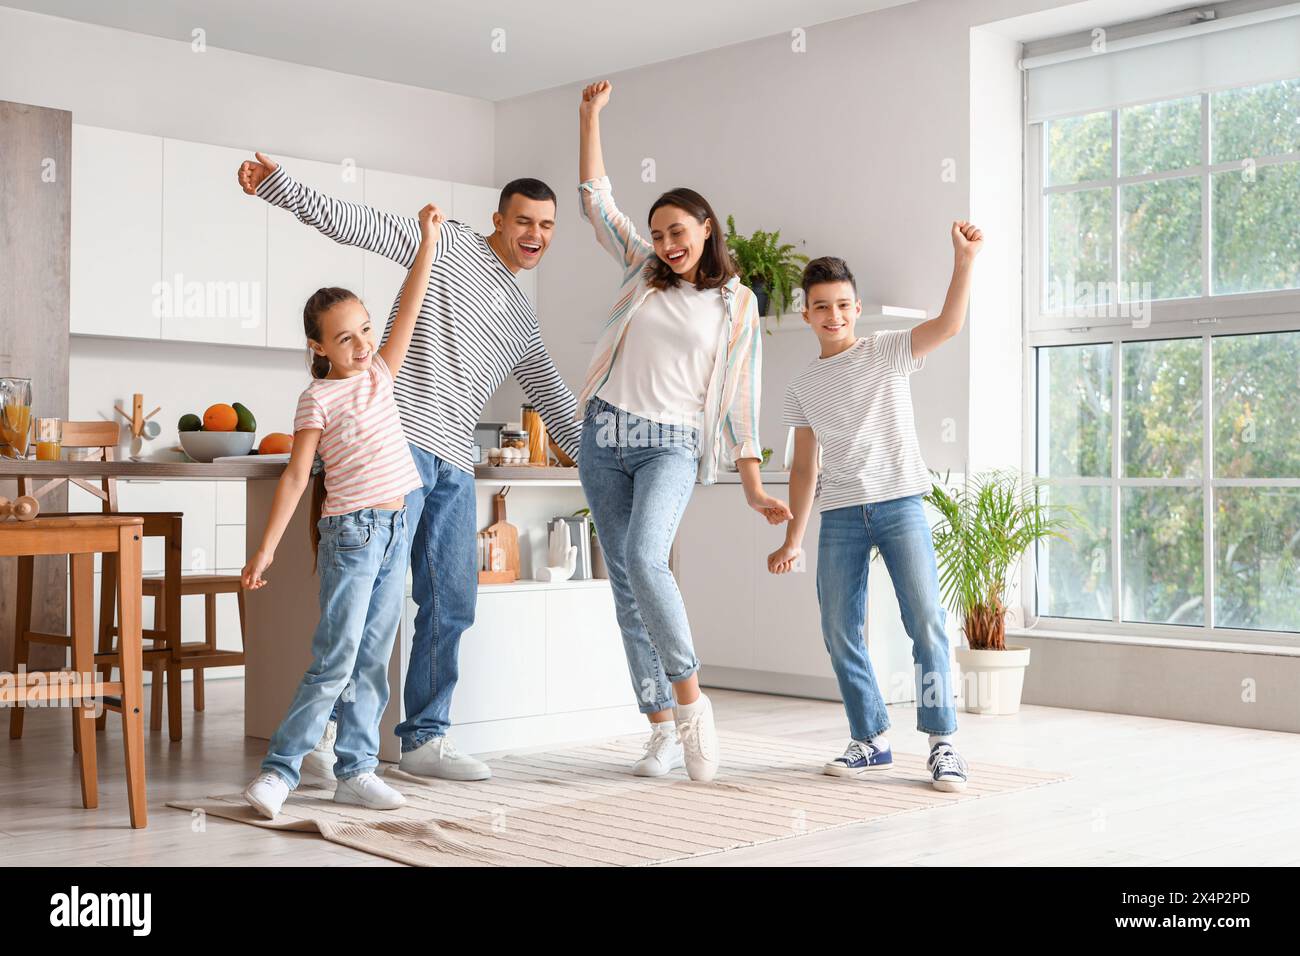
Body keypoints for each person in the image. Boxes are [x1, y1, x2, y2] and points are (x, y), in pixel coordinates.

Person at [237, 154, 581, 780]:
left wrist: (605, 468)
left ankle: (424, 739)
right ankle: (334, 739)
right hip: (395, 446)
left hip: (455, 463)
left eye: (548, 225)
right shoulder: (445, 243)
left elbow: (555, 401)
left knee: (452, 602)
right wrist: (281, 188)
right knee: (369, 610)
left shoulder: (523, 321)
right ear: (497, 220)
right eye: (523, 220)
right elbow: (357, 223)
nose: (535, 234)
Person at [575, 80, 791, 782]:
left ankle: (694, 706)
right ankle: (660, 729)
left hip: (671, 444)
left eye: (680, 232)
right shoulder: (642, 271)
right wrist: (590, 117)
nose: (668, 244)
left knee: (647, 558)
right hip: (605, 435)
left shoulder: (737, 304)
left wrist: (754, 485)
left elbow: (741, 400)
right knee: (625, 588)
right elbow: (596, 203)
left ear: (707, 231)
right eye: (660, 232)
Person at [241, 204, 443, 819]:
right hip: (351, 536)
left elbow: (412, 300)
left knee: (375, 657)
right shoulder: (317, 398)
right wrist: (268, 548)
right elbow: (299, 475)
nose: (360, 344)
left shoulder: (382, 372)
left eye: (364, 329)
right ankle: (279, 771)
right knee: (335, 660)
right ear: (318, 346)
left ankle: (356, 769)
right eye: (344, 336)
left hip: (395, 527)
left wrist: (427, 240)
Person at [768, 221, 984, 792]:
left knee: (927, 625)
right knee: (839, 630)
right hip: (840, 514)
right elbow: (804, 467)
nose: (833, 315)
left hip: (899, 504)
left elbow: (950, 324)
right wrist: (793, 539)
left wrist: (962, 261)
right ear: (807, 314)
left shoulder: (888, 351)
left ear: (857, 307)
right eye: (821, 307)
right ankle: (871, 738)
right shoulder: (803, 384)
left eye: (842, 304)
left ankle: (943, 744)